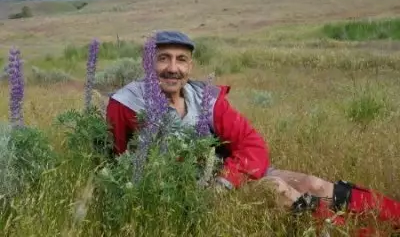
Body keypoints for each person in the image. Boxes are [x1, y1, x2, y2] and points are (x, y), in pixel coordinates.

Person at [106, 30, 400, 234]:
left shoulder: (205, 99)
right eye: (163, 58)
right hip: (188, 195)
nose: (172, 68)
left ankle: (394, 217)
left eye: (181, 60)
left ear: (191, 66)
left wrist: (225, 181)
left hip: (225, 181)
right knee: (279, 191)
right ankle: (354, 232)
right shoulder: (126, 104)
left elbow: (252, 146)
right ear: (148, 64)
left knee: (314, 184)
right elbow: (113, 161)